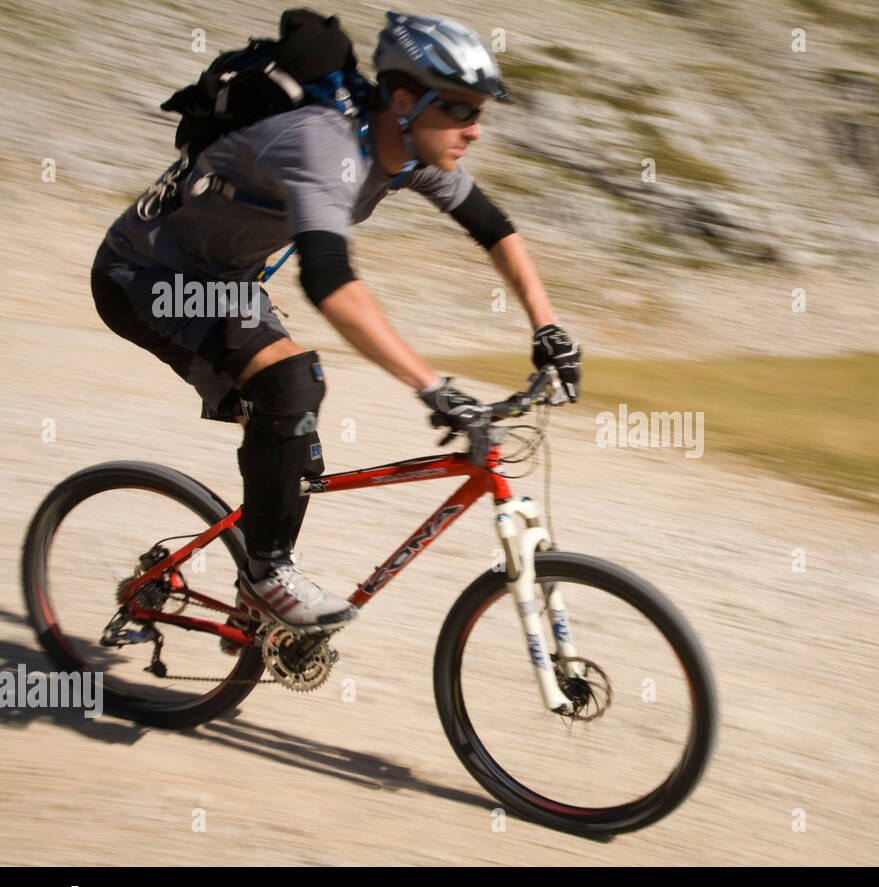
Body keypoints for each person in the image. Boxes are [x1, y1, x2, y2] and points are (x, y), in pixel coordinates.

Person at [88, 11, 581, 644]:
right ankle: (267, 575)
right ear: (404, 99)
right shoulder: (322, 144)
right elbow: (328, 281)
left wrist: (549, 329)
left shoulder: (407, 150)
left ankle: (253, 605)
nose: (475, 130)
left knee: (296, 446)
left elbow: (494, 228)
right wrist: (431, 386)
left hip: (223, 277)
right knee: (292, 384)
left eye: (478, 111)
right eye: (460, 110)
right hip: (145, 273)